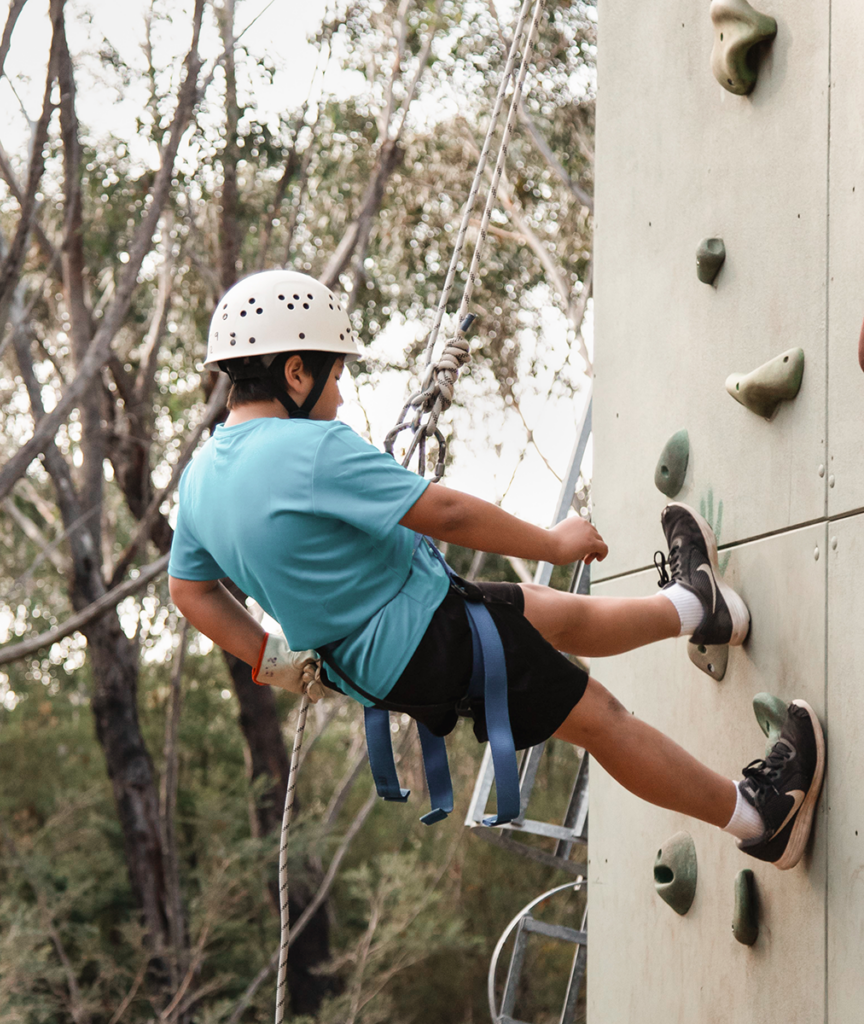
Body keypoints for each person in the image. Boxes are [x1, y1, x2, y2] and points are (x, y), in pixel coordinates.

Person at [168, 269, 825, 871]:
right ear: (294, 373)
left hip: (383, 653)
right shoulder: (307, 446)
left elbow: (189, 592)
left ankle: (697, 607)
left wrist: (277, 660)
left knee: (549, 613)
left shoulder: (199, 482)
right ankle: (760, 817)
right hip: (426, 632)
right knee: (602, 720)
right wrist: (553, 540)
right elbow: (445, 513)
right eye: (335, 374)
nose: (340, 393)